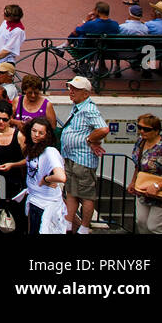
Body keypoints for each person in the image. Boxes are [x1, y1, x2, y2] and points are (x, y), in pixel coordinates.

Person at [60, 75, 109, 234]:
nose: (71, 92)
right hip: (71, 157)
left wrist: (90, 139)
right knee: (72, 192)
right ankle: (68, 222)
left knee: (86, 196)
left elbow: (103, 129)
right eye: (71, 88)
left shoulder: (89, 108)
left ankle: (85, 227)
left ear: (86, 93)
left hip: (83, 160)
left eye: (76, 89)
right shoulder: (77, 107)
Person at [129, 113, 162, 234]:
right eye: (139, 127)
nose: (142, 131)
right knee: (141, 222)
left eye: (146, 129)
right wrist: (133, 182)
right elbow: (138, 165)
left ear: (157, 131)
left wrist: (157, 186)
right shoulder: (140, 142)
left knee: (154, 226)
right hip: (143, 189)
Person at [23, 119, 66, 234]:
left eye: (41, 133)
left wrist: (46, 179)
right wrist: (13, 164)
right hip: (35, 199)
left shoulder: (50, 151)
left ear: (47, 135)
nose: (36, 135)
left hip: (46, 203)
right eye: (34, 131)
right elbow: (32, 163)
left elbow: (61, 177)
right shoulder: (34, 148)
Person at [0, 101, 27, 218]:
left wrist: (13, 165)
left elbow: (28, 159)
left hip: (14, 183)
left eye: (5, 119)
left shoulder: (19, 136)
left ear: (10, 119)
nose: (1, 122)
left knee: (13, 218)